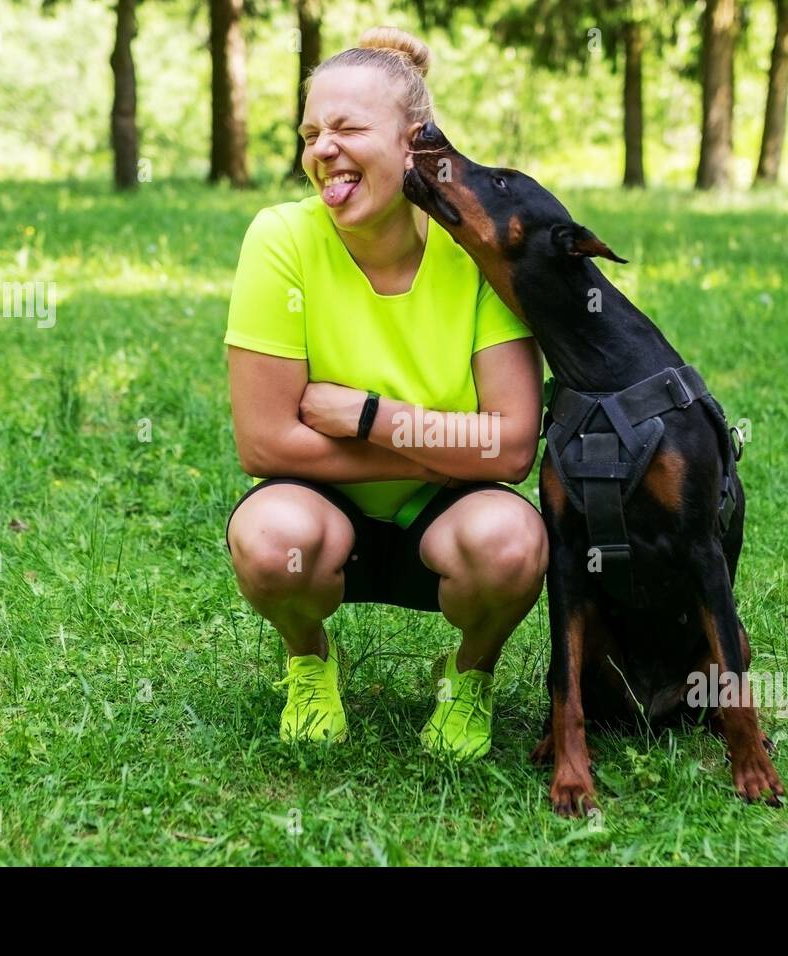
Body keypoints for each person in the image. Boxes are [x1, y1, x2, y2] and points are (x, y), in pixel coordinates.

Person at [223, 26, 548, 761]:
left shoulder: (475, 253)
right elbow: (266, 442)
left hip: (446, 514)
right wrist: (446, 448)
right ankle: (308, 659)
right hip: (321, 508)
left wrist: (371, 417)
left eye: (346, 128)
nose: (321, 150)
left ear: (415, 145)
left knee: (511, 543)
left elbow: (515, 445)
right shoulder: (280, 239)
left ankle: (469, 674)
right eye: (310, 133)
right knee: (272, 545)